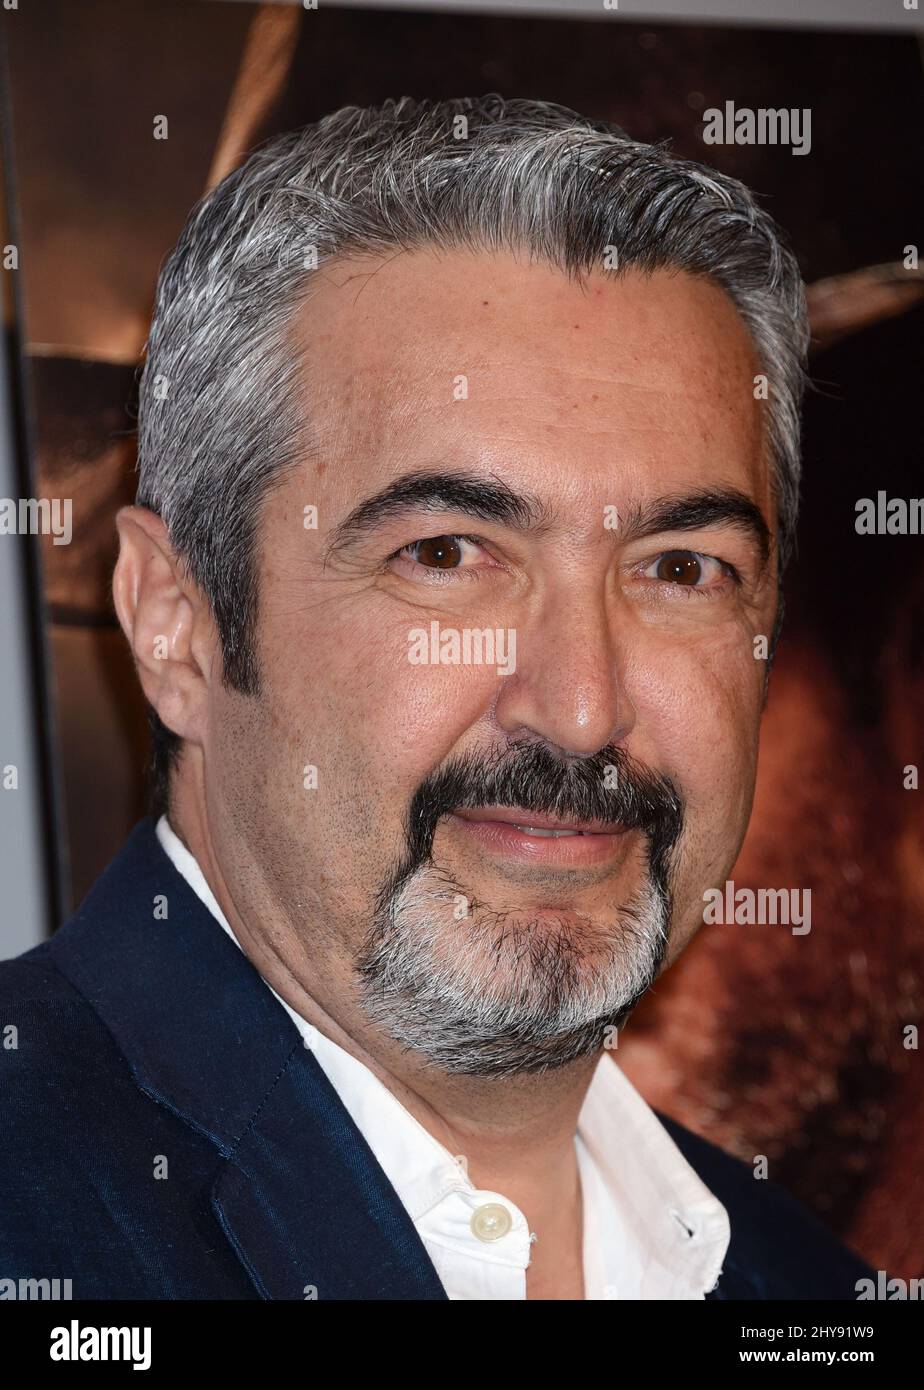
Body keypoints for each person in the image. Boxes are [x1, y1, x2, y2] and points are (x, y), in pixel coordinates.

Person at [0, 96, 873, 1300]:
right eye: (448, 554)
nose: (578, 709)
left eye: (679, 568)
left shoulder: (815, 1292)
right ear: (176, 625)